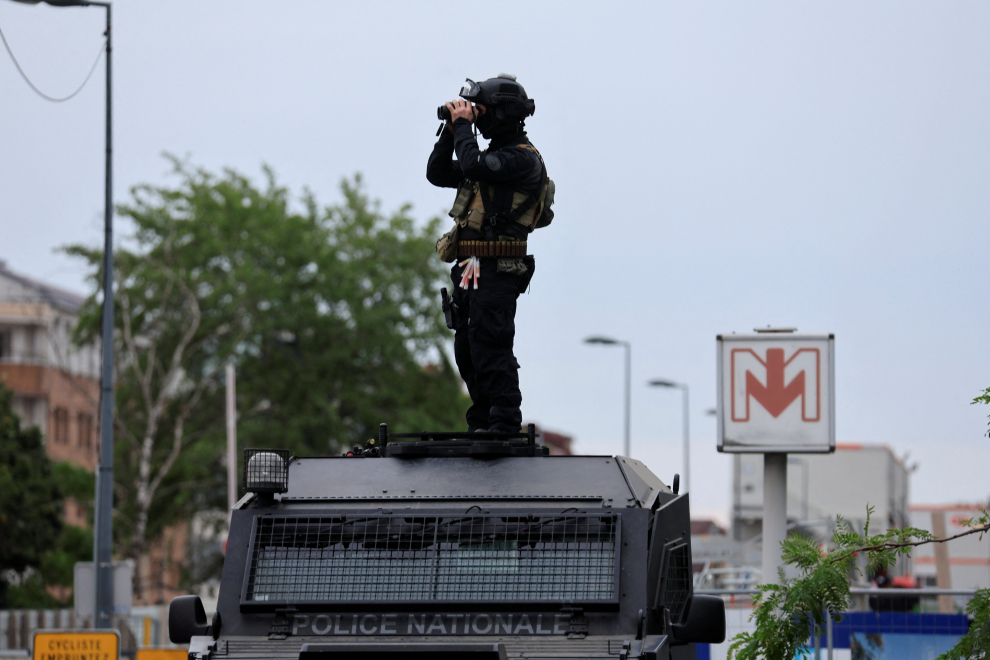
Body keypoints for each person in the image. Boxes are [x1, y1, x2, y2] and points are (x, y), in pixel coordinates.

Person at [426, 74, 552, 433]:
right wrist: (452, 132)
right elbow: (436, 173)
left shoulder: (520, 160)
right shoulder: (488, 159)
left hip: (499, 268)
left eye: (480, 111)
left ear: (500, 114)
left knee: (490, 342)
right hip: (470, 269)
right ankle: (482, 417)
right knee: (467, 347)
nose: (475, 118)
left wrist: (464, 125)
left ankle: (505, 419)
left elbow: (472, 165)